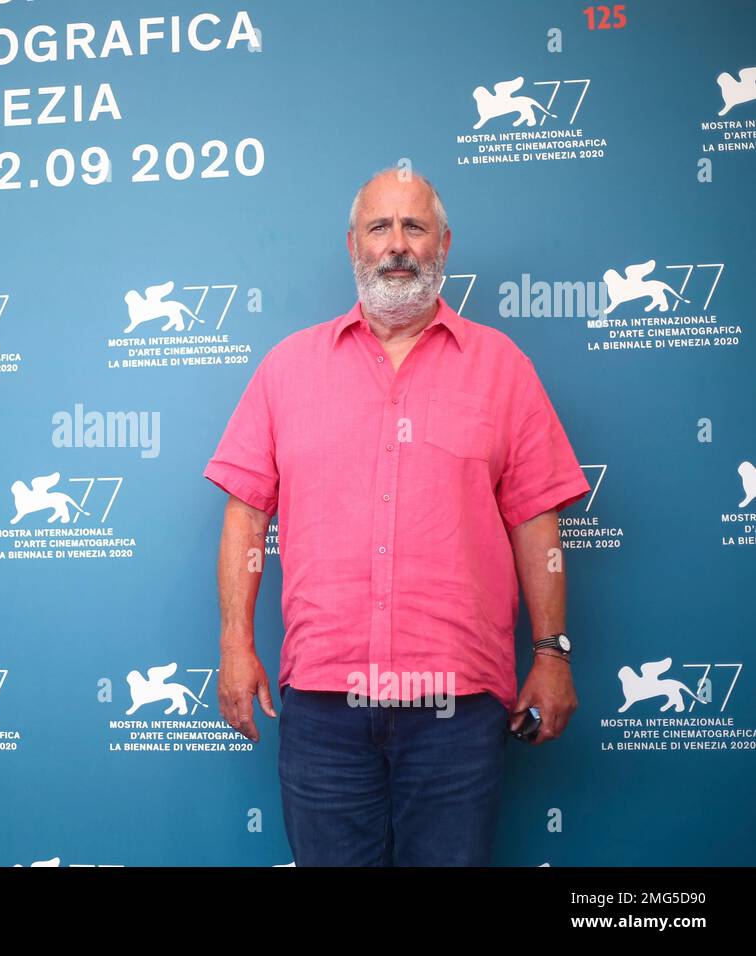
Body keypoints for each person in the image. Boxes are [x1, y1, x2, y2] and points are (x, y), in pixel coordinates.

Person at [202, 167, 590, 866]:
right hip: (324, 701)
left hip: (458, 705)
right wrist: (235, 644)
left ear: (445, 243)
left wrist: (551, 652)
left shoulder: (503, 369)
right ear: (353, 244)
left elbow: (536, 520)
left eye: (414, 227)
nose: (397, 245)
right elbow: (246, 514)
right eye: (380, 227)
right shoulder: (287, 369)